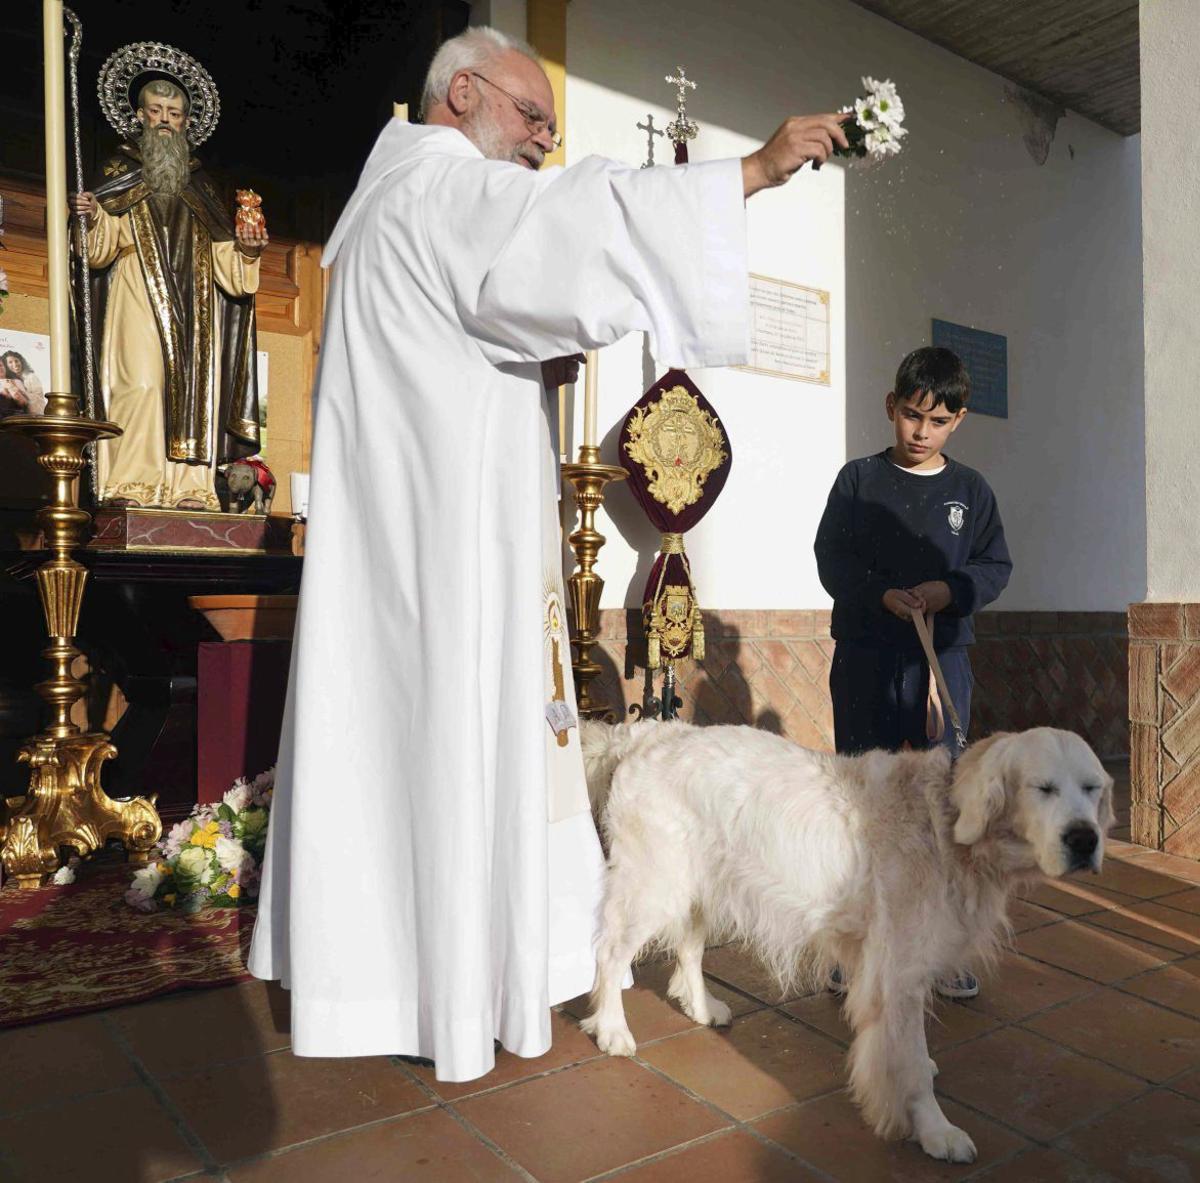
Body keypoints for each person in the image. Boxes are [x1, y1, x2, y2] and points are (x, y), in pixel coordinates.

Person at [248, 24, 849, 1081]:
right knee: (459, 737)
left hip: (394, 553)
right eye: (532, 117)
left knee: (388, 747)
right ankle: (461, 988)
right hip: (453, 554)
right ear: (463, 93)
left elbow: (497, 312)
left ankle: (377, 980)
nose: (542, 144)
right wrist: (750, 171)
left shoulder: (381, 206)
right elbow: (583, 220)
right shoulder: (444, 186)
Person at [814, 345, 1013, 999]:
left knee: (941, 802)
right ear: (890, 407)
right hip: (868, 658)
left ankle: (945, 946)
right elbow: (831, 556)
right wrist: (880, 594)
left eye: (936, 420)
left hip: (940, 665)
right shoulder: (858, 481)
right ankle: (854, 941)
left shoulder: (971, 493)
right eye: (910, 415)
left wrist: (949, 589)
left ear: (958, 421)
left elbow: (994, 566)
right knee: (862, 799)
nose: (920, 431)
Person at [70, 79, 268, 510]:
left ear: (186, 122)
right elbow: (100, 252)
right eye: (156, 110)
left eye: (174, 114)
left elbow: (227, 265)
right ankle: (130, 484)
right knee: (140, 386)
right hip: (136, 296)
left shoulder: (202, 186)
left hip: (195, 310)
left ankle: (188, 489)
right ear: (139, 116)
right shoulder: (116, 174)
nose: (164, 120)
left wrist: (247, 250)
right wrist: (91, 218)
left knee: (194, 393)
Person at [0, 350, 45, 417]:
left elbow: (25, 403)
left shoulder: (29, 378)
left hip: (33, 413)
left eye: (16, 361)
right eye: (10, 362)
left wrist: (12, 388)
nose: (14, 364)